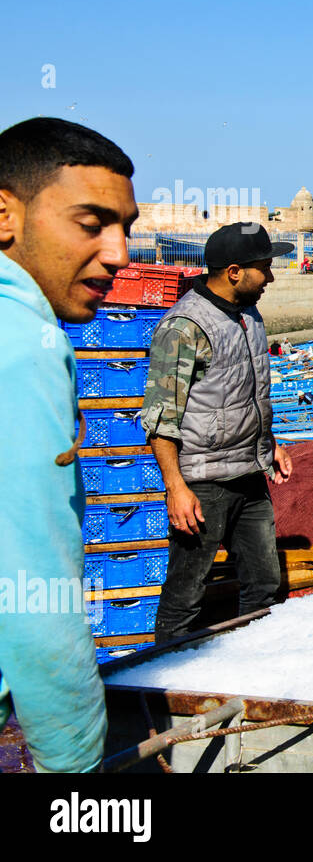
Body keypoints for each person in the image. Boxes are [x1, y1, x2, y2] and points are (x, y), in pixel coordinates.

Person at [0, 117, 137, 772]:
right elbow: (34, 594)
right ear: (6, 215)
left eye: (125, 227)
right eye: (91, 223)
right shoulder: (24, 347)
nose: (120, 254)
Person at [142, 223, 295, 644]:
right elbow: (160, 418)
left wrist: (271, 444)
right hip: (204, 483)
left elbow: (245, 393)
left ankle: (250, 670)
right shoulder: (184, 328)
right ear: (233, 271)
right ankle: (167, 687)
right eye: (264, 268)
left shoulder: (249, 314)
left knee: (264, 586)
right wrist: (176, 488)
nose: (271, 278)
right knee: (186, 595)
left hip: (248, 474)